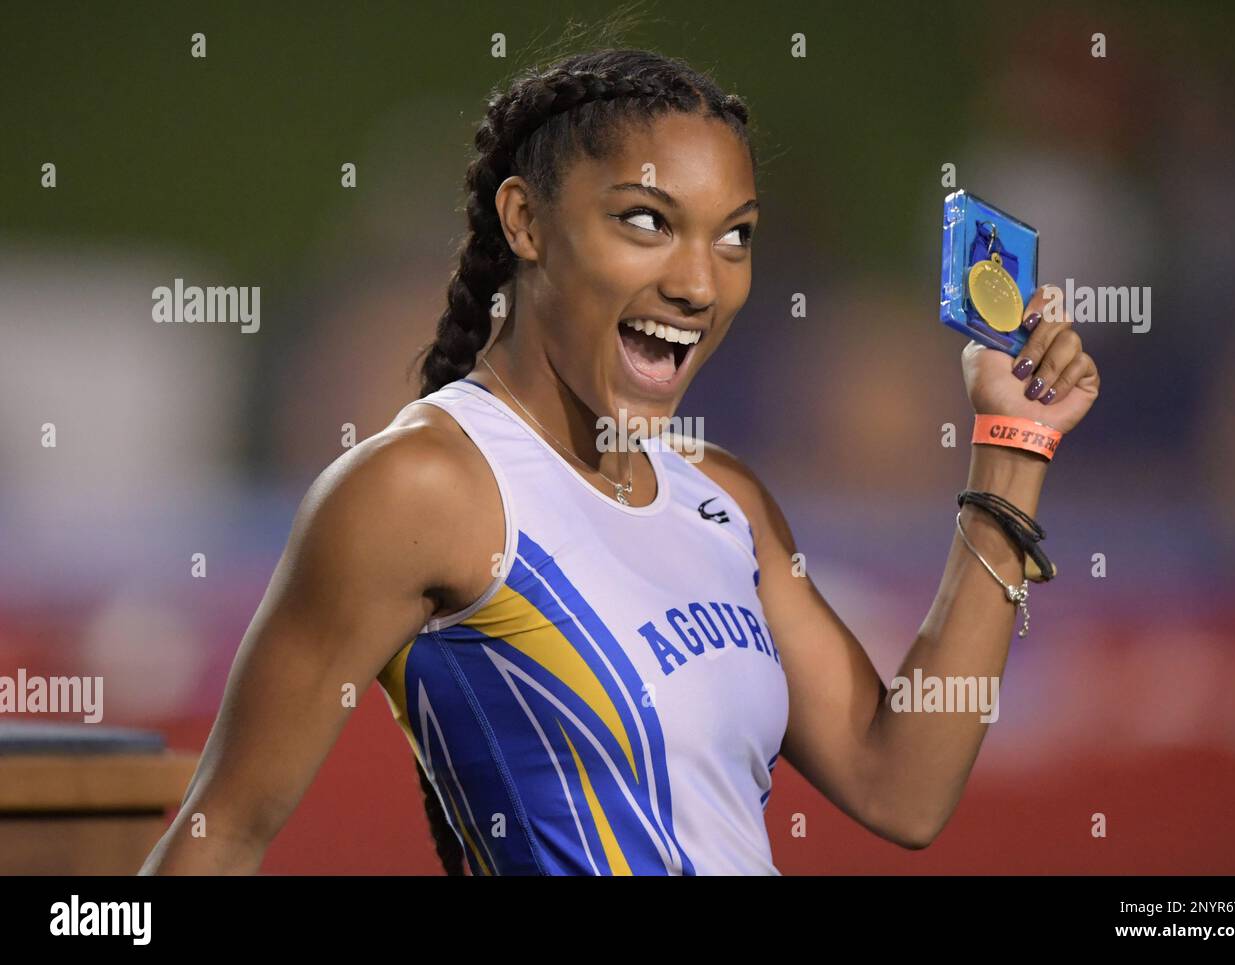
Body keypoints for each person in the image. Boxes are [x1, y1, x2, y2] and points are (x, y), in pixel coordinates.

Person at [139, 47, 1099, 876]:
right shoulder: (420, 486)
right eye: (646, 220)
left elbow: (905, 784)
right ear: (524, 221)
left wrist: (1012, 449)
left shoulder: (724, 496)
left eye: (736, 238)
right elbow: (222, 837)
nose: (697, 282)